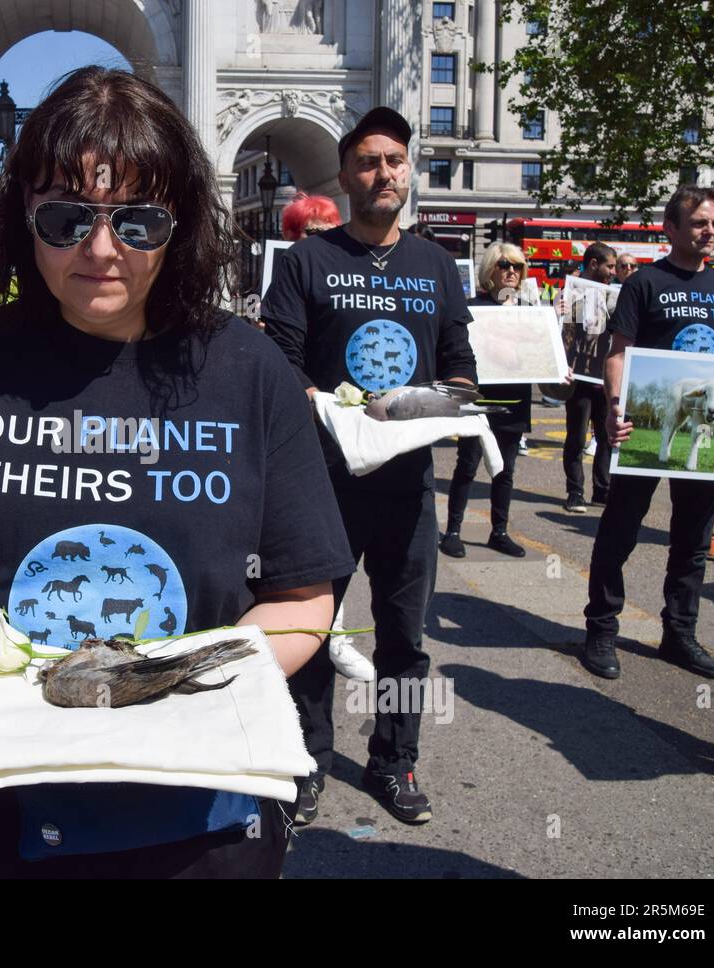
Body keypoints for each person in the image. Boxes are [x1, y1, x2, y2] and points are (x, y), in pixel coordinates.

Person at [0, 67, 351, 877]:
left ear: (179, 223)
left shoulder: (250, 369)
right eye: (67, 217)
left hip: (202, 808)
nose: (102, 249)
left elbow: (301, 596)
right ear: (23, 218)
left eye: (139, 221)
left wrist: (176, 692)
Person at [261, 106, 478, 826]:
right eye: (367, 161)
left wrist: (440, 404)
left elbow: (461, 369)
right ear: (345, 174)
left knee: (403, 640)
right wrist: (325, 405)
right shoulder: (308, 263)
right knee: (311, 631)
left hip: (407, 487)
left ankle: (395, 758)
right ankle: (307, 761)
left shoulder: (436, 265)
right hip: (320, 483)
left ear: (408, 170)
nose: (383, 173)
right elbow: (280, 364)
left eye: (394, 160)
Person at [580, 186, 714, 682]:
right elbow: (619, 351)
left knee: (693, 541)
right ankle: (601, 628)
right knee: (620, 531)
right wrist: (614, 407)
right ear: (670, 229)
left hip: (707, 422)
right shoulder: (645, 283)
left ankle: (679, 633)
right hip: (642, 428)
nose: (710, 232)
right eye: (699, 223)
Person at [440, 242, 534, 559]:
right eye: (504, 265)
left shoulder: (529, 312)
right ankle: (453, 531)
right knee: (467, 464)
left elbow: (539, 354)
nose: (511, 271)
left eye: (517, 266)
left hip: (514, 398)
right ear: (490, 269)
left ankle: (500, 531)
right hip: (478, 398)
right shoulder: (472, 307)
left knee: (504, 469)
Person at [562, 241, 619, 513]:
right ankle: (575, 492)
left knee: (606, 436)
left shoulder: (613, 297)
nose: (613, 272)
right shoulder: (569, 293)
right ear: (593, 263)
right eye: (609, 266)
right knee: (576, 436)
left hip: (603, 377)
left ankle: (602, 490)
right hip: (578, 376)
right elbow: (564, 334)